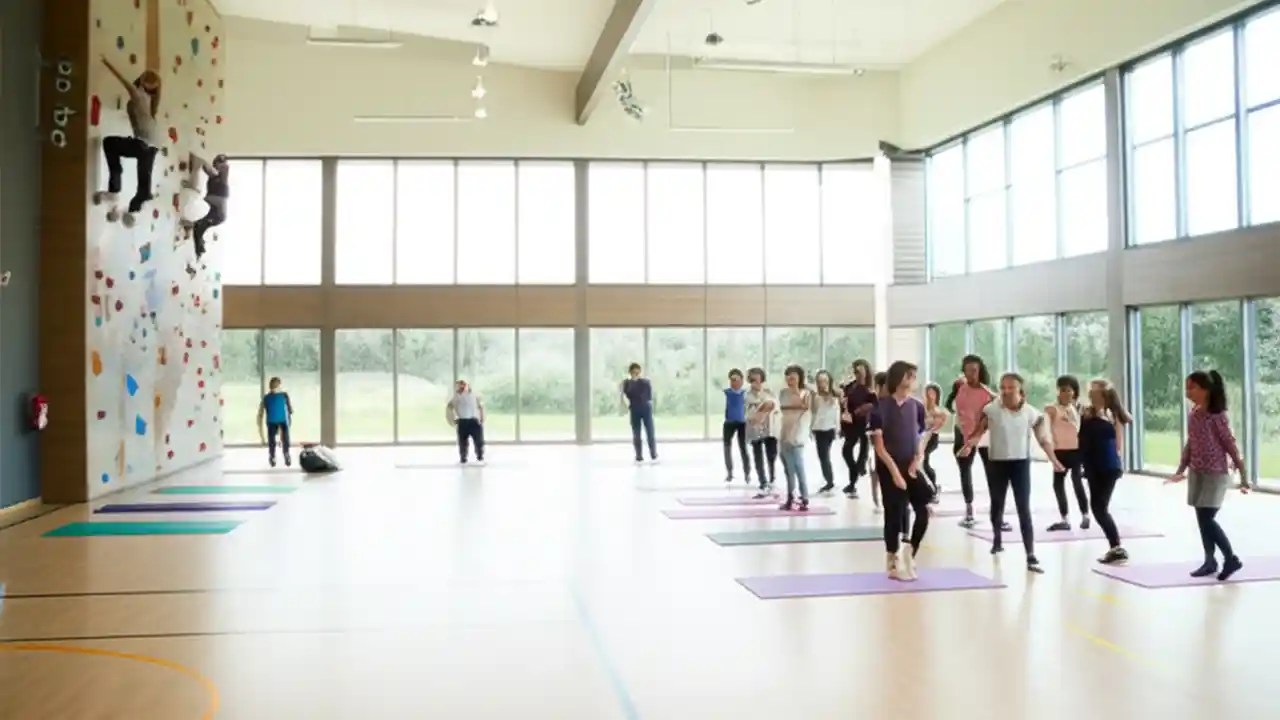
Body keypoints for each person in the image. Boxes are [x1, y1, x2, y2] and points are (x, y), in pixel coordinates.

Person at [960, 373, 1064, 574]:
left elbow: (1043, 439)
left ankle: (1030, 555)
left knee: (1023, 508)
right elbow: (978, 433)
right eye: (1003, 387)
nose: (1006, 391)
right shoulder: (991, 410)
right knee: (997, 504)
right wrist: (969, 446)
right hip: (997, 463)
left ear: (1020, 391)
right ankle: (997, 539)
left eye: (1011, 388)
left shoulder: (1031, 413)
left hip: (1020, 464)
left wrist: (1054, 460)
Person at [1167, 370, 1249, 581]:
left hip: (1215, 473)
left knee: (1207, 519)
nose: (1187, 392)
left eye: (1192, 387)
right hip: (1197, 471)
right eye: (1186, 387)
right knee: (1201, 518)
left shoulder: (1217, 416)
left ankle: (1230, 558)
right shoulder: (1194, 413)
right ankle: (1209, 560)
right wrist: (1181, 468)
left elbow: (1230, 444)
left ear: (1206, 390)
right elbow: (1191, 442)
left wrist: (1243, 474)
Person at [870, 361, 932, 581]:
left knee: (923, 510)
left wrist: (918, 458)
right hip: (889, 466)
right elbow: (879, 447)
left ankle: (910, 552)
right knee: (894, 512)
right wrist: (895, 473)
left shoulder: (917, 406)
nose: (913, 379)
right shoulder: (880, 408)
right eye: (909, 375)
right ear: (898, 377)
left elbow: (921, 436)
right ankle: (892, 558)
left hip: (910, 465)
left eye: (914, 376)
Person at [94, 58, 161, 222]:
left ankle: (114, 192)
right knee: (143, 189)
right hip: (153, 144)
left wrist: (106, 62)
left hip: (145, 143)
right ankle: (131, 209)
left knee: (110, 143)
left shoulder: (139, 95)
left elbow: (123, 81)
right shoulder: (150, 100)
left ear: (143, 82)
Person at [946, 355, 1006, 531]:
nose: (971, 374)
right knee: (965, 471)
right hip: (962, 434)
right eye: (968, 370)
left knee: (993, 474)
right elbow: (952, 407)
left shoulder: (987, 392)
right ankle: (969, 510)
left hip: (983, 436)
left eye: (974, 370)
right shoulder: (959, 388)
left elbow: (995, 411)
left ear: (980, 371)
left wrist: (976, 435)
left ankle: (998, 515)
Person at [1079, 379, 1132, 564]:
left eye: (1094, 392)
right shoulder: (1087, 413)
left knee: (1099, 508)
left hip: (1106, 466)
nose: (1091, 395)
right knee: (1098, 508)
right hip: (1093, 465)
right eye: (1090, 392)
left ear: (1104, 394)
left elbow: (1117, 443)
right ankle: (1115, 547)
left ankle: (1116, 547)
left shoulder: (1112, 415)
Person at [1046, 376, 1089, 532]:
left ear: (1074, 392)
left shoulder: (1079, 409)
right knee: (1058, 484)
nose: (1065, 393)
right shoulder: (1052, 409)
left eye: (1068, 390)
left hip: (1076, 451)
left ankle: (1085, 515)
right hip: (1059, 451)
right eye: (1062, 390)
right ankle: (1065, 518)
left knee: (1077, 481)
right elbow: (1046, 430)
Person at [182, 153, 229, 277]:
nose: (218, 167)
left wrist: (219, 164)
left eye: (219, 164)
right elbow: (205, 166)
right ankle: (199, 249)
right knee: (198, 228)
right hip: (212, 211)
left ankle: (199, 250)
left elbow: (224, 168)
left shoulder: (223, 177)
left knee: (198, 226)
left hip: (218, 214)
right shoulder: (214, 177)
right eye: (216, 164)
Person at [777, 365, 813, 511]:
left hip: (798, 434)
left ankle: (804, 497)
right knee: (788, 468)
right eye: (788, 376)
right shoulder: (783, 393)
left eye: (793, 375)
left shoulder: (806, 393)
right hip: (785, 432)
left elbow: (805, 407)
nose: (790, 378)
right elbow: (782, 408)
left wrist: (798, 395)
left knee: (798, 466)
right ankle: (790, 497)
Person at [839, 360, 876, 498]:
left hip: (863, 423)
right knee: (846, 451)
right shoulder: (850, 386)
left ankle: (855, 477)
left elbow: (875, 404)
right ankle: (854, 476)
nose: (858, 374)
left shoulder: (870, 389)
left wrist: (863, 409)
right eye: (856, 371)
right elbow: (844, 402)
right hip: (850, 422)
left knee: (862, 447)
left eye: (860, 372)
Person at [745, 368, 780, 497]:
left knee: (771, 454)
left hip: (770, 427)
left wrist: (768, 405)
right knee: (757, 454)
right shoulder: (747, 395)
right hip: (755, 428)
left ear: (762, 378)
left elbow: (775, 405)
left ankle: (772, 479)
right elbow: (748, 411)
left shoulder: (769, 391)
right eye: (752, 378)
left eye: (757, 378)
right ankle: (763, 482)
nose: (755, 381)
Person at [811, 370, 841, 494]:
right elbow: (814, 412)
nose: (822, 383)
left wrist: (838, 429)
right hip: (819, 429)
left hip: (829, 429)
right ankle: (829, 480)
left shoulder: (834, 396)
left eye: (824, 381)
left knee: (824, 456)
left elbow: (836, 412)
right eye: (820, 381)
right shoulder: (815, 396)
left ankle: (830, 482)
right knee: (823, 456)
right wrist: (811, 428)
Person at [620, 363, 657, 464]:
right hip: (634, 410)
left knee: (650, 432)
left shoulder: (645, 382)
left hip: (646, 409)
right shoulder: (627, 384)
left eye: (637, 372)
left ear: (640, 372)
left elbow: (648, 397)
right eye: (633, 372)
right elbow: (625, 395)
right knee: (636, 433)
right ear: (630, 373)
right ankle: (639, 456)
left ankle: (653, 454)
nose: (635, 374)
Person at [446, 379, 486, 465]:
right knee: (462, 442)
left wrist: (482, 418)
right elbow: (449, 408)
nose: (462, 387)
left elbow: (481, 407)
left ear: (467, 386)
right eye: (459, 385)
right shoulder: (455, 398)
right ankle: (463, 458)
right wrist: (452, 420)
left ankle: (480, 457)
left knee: (478, 441)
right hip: (462, 422)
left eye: (463, 385)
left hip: (474, 421)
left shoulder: (474, 395)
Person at [257, 377, 293, 468]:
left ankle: (273, 456)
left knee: (272, 439)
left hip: (272, 421)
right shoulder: (284, 395)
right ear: (279, 386)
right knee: (285, 438)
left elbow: (262, 412)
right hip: (281, 421)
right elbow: (290, 410)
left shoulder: (266, 398)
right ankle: (285, 454)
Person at [722, 369, 751, 483]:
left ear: (742, 381)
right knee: (727, 447)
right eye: (732, 380)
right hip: (729, 423)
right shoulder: (727, 392)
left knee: (743, 448)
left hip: (742, 423)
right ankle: (729, 472)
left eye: (736, 380)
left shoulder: (745, 394)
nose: (734, 382)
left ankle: (747, 473)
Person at [922, 383, 949, 500]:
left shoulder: (938, 411)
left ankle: (933, 488)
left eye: (932, 393)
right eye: (928, 393)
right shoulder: (922, 408)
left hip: (932, 438)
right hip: (922, 437)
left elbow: (936, 426)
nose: (929, 396)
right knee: (923, 463)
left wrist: (930, 421)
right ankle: (929, 488)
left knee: (924, 462)